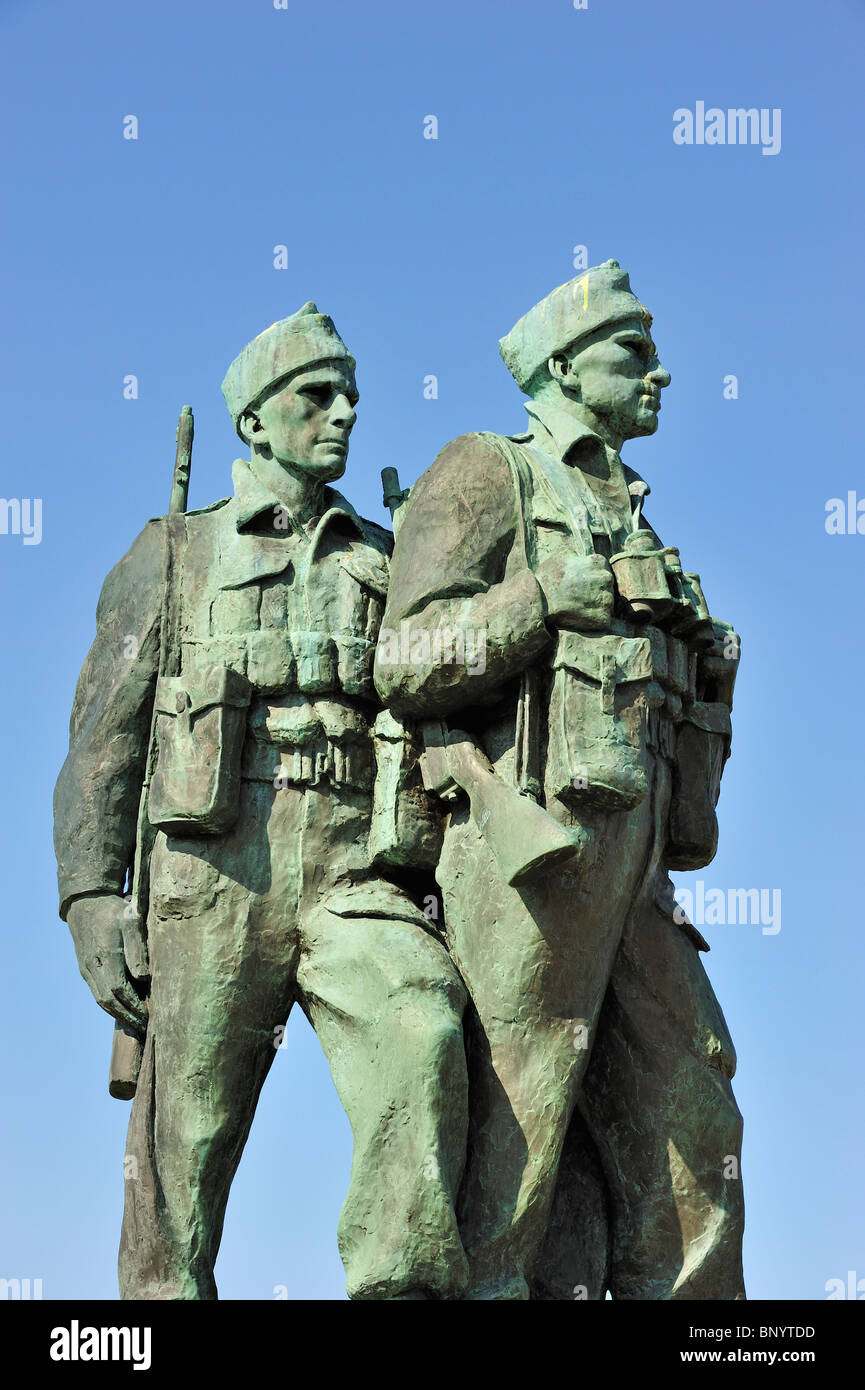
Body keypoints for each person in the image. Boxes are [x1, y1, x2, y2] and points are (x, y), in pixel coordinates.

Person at [54, 303, 469, 1300]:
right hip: (215, 865)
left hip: (354, 865)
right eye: (315, 396)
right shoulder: (172, 554)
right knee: (183, 1140)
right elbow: (102, 742)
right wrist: (91, 897)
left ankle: (400, 1286)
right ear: (253, 420)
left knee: (422, 1030)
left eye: (352, 398)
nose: (343, 415)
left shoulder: (389, 557)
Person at [374, 261, 745, 1300]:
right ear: (563, 366)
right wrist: (538, 598)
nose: (661, 374)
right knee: (517, 1144)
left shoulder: (634, 512)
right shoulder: (489, 471)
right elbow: (399, 659)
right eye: (634, 351)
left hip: (638, 877)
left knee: (694, 1117)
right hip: (530, 860)